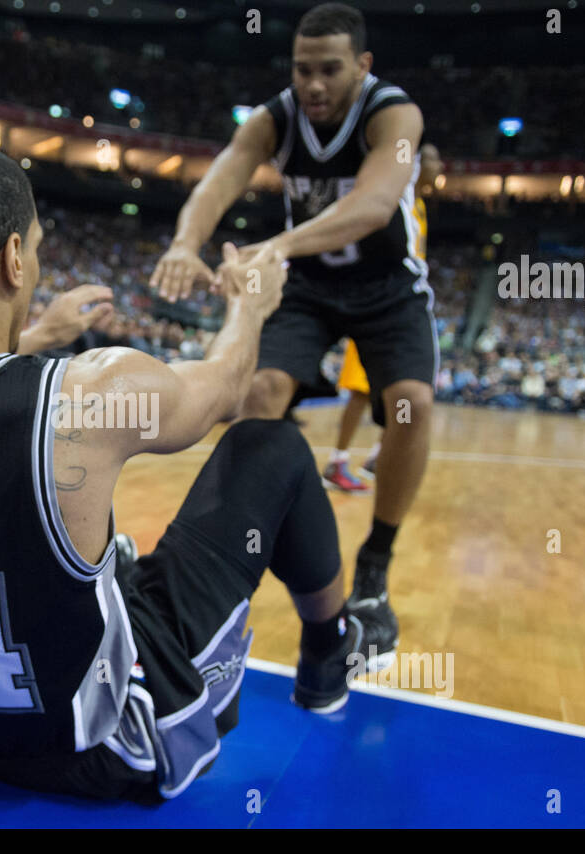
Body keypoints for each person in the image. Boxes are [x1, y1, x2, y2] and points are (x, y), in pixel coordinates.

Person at [0, 142, 357, 802]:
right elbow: (230, 389)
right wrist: (251, 308)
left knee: (93, 559)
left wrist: (33, 335)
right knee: (270, 447)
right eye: (32, 249)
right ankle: (330, 651)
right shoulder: (87, 398)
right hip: (90, 748)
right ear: (13, 258)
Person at [150, 2, 434, 672]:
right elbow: (220, 180)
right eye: (302, 69)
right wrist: (186, 244)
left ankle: (374, 563)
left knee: (411, 404)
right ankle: (219, 558)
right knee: (261, 391)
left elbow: (370, 206)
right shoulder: (274, 118)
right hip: (306, 285)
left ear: (362, 66)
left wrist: (269, 247)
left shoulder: (395, 116)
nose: (313, 84)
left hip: (388, 283)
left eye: (329, 69)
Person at [325, 142, 442, 489]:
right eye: (429, 158)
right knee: (362, 392)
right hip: (375, 308)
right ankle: (337, 460)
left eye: (436, 159)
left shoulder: (419, 207)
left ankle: (378, 455)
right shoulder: (392, 198)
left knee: (403, 391)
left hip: (402, 311)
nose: (436, 165)